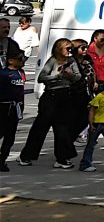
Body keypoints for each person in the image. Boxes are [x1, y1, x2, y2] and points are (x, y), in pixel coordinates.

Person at [19, 38, 84, 167]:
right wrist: (57, 76)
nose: (70, 51)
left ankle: (62, 158)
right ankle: (27, 155)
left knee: (63, 129)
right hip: (51, 96)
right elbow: (41, 77)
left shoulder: (71, 61)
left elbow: (78, 76)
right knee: (41, 127)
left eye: (71, 49)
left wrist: (71, 76)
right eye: (67, 49)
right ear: (59, 49)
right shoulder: (53, 61)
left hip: (66, 95)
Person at [77, 75, 104, 172]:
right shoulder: (99, 98)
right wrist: (91, 124)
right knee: (91, 144)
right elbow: (92, 111)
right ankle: (85, 163)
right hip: (96, 124)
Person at [0, 47, 24, 171]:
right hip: (4, 107)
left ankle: (2, 159)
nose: (22, 61)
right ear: (10, 60)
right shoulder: (3, 74)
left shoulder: (21, 73)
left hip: (15, 108)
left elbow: (21, 91)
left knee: (10, 137)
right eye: (20, 59)